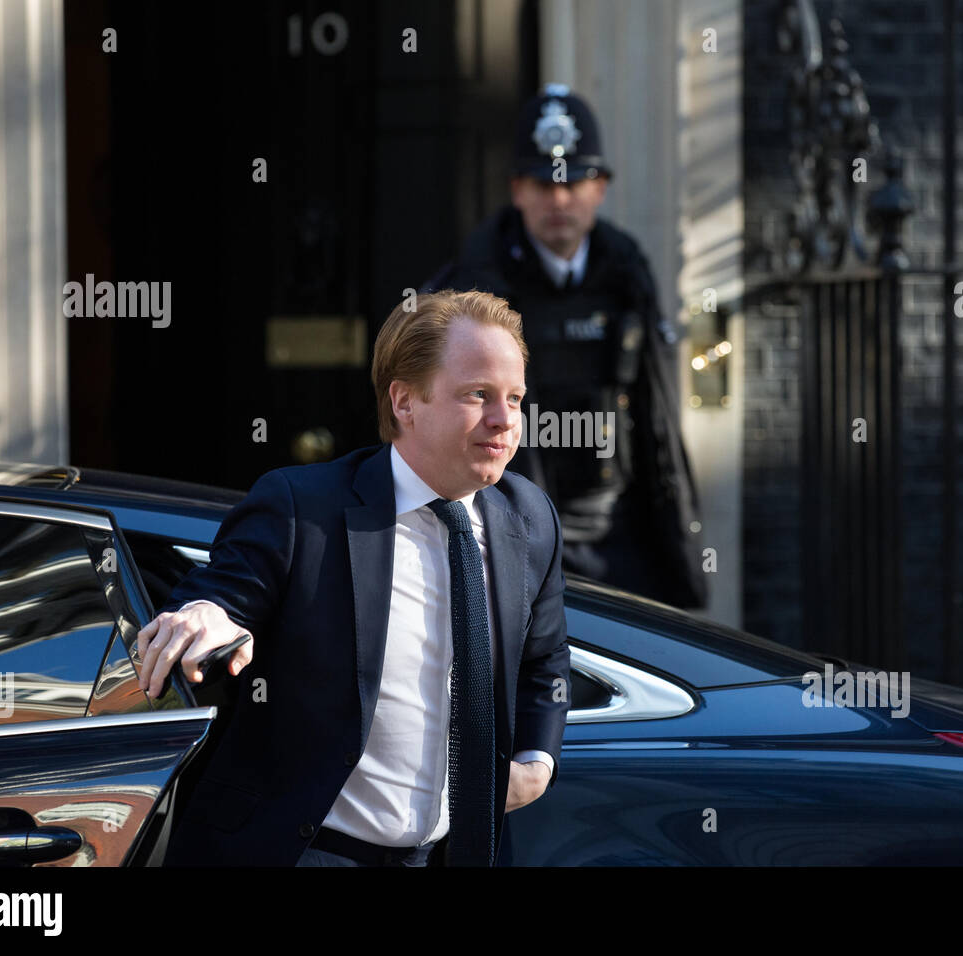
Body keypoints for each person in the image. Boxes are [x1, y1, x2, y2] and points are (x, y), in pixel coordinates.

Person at [134, 289, 571, 867]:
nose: (504, 419)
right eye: (477, 395)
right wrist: (208, 615)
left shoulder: (529, 516)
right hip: (309, 852)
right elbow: (224, 593)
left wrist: (537, 761)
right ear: (406, 400)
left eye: (514, 398)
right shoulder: (302, 506)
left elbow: (545, 659)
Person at [424, 83, 708, 610]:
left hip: (621, 541)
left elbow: (660, 421)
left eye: (575, 181)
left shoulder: (628, 278)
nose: (559, 199)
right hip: (508, 542)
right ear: (516, 189)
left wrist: (679, 555)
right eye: (542, 182)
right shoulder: (466, 290)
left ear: (600, 187)